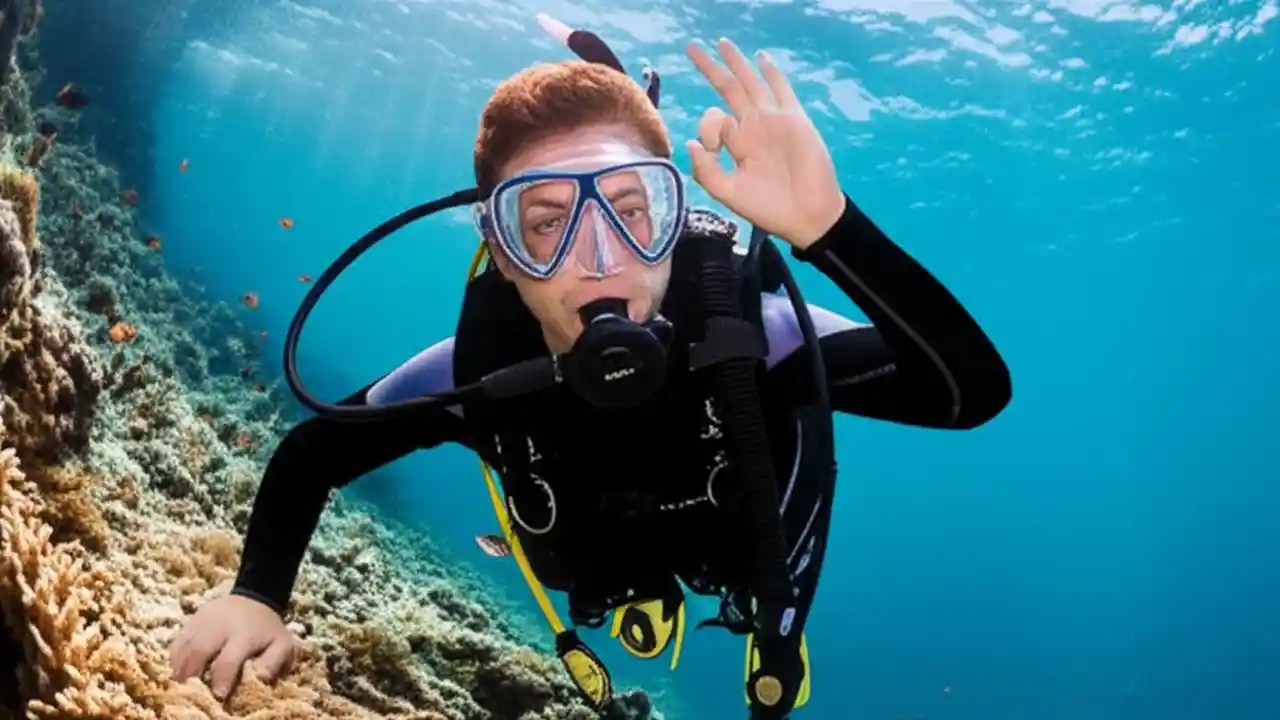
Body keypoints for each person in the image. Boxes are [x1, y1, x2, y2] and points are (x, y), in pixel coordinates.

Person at [169, 20, 1011, 720]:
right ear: (499, 253)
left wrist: (830, 228)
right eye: (546, 224)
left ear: (674, 221)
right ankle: (641, 598)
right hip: (598, 568)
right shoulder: (477, 372)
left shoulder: (751, 332)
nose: (599, 259)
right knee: (618, 587)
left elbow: (969, 393)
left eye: (632, 210)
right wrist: (257, 596)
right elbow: (315, 451)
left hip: (741, 558)